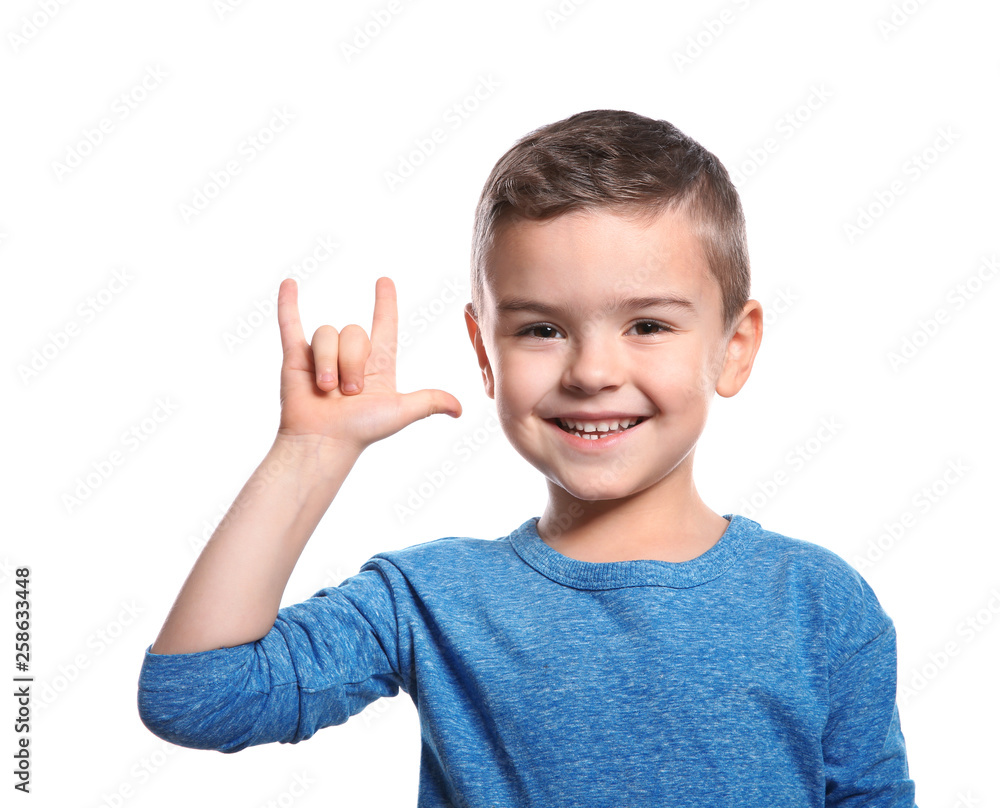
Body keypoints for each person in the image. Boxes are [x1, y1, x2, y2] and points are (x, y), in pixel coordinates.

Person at [137, 109, 917, 806]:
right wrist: (309, 453)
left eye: (647, 325)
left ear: (733, 348)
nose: (592, 372)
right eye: (542, 329)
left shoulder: (820, 605)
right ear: (485, 353)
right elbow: (197, 694)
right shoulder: (431, 601)